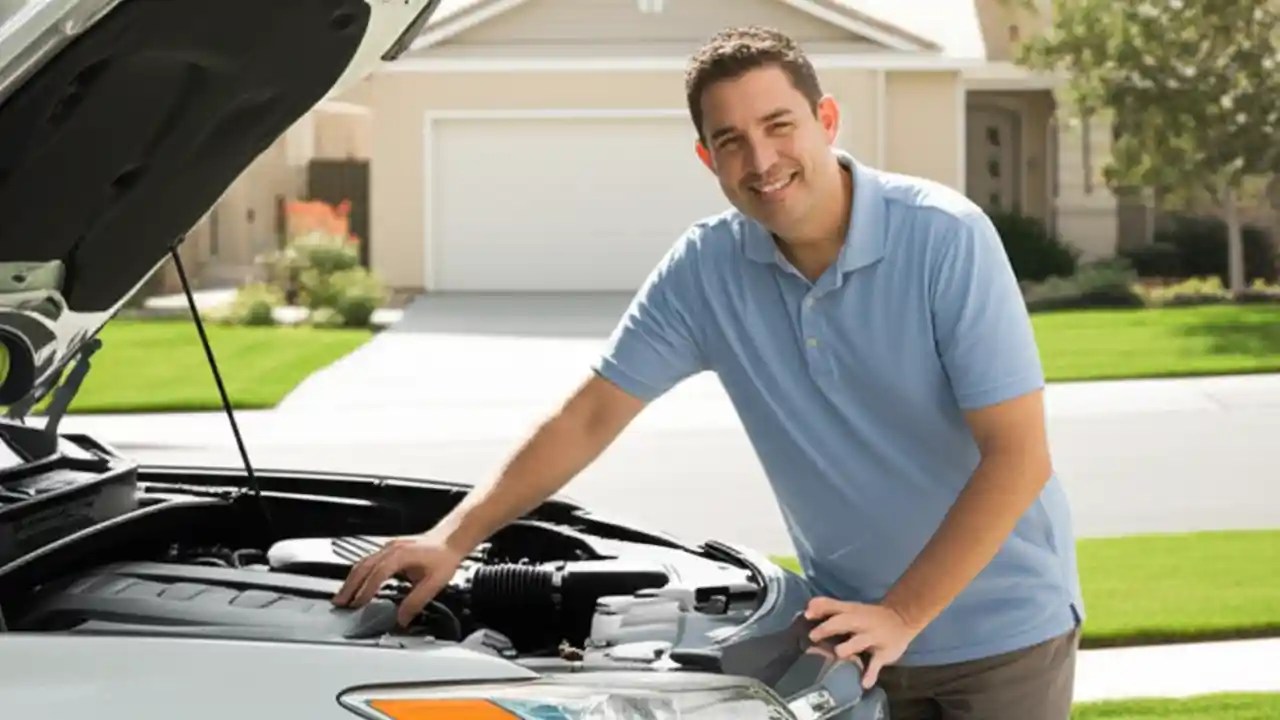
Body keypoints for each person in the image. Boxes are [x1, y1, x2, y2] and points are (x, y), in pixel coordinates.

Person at [333, 25, 1084, 720]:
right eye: (731, 140)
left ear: (826, 121)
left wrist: (905, 615)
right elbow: (589, 415)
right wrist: (454, 537)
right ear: (707, 157)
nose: (760, 161)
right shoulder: (706, 269)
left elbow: (1018, 457)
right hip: (850, 642)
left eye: (778, 126)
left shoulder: (945, 239)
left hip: (1002, 641)